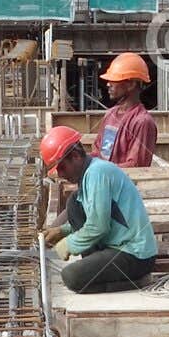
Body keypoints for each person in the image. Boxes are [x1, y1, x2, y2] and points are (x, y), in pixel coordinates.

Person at [39, 125, 157, 294]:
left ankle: (134, 282)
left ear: (75, 156)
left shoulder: (97, 173)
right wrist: (63, 230)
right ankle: (99, 267)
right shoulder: (88, 176)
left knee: (71, 276)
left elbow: (98, 226)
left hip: (135, 254)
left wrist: (68, 244)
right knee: (74, 203)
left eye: (61, 167)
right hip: (116, 245)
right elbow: (96, 217)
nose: (60, 174)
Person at [94, 52, 158, 168]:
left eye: (115, 79)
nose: (108, 84)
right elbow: (98, 152)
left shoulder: (142, 122)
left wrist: (101, 170)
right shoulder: (110, 114)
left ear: (131, 85)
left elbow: (136, 167)